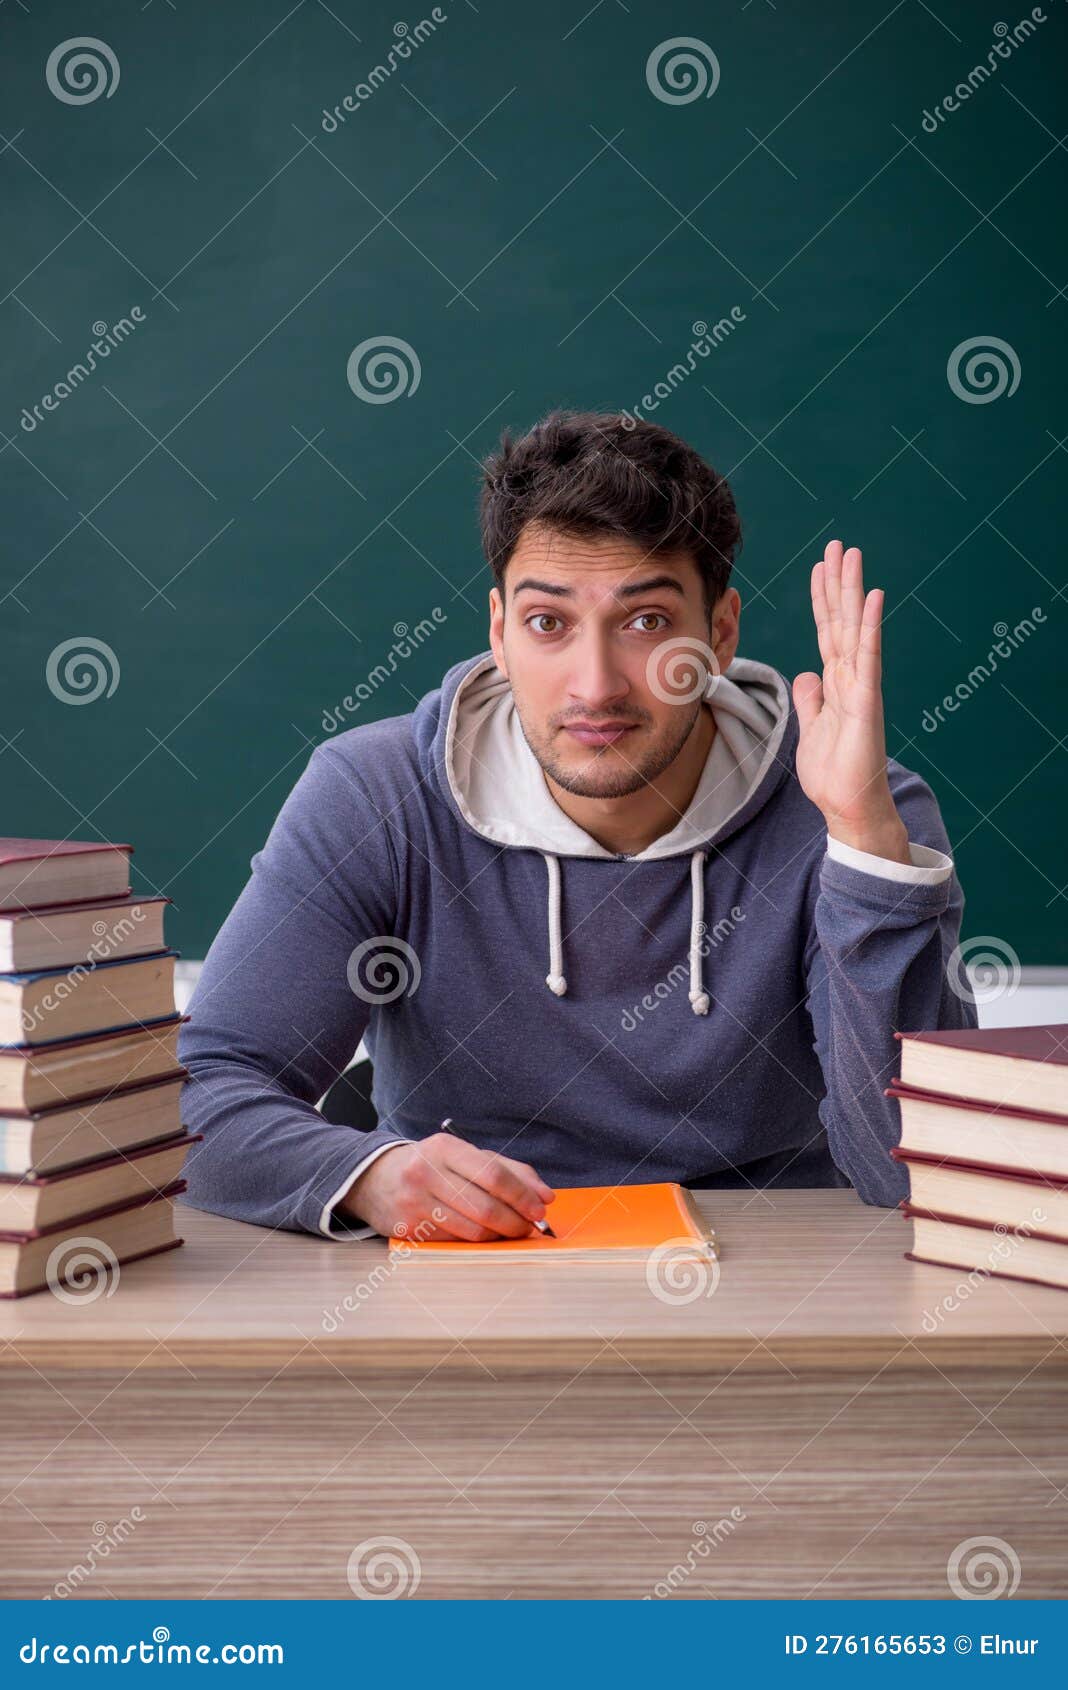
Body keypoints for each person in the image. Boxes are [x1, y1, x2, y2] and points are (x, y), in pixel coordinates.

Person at [177, 408, 977, 1243]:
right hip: (467, 1283)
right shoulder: (377, 796)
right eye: (548, 623)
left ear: (721, 632)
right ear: (499, 631)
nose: (594, 686)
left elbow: (913, 1171)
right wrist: (368, 1175)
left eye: (646, 622)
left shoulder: (857, 807)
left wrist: (861, 843)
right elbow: (199, 1093)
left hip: (774, 1281)